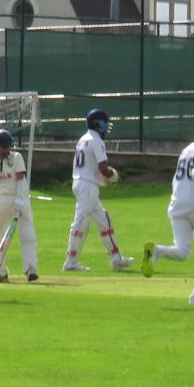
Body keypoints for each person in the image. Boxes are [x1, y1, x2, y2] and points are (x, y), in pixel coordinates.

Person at [140, 115, 194, 306]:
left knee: (182, 251)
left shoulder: (187, 149)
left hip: (177, 202)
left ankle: (157, 252)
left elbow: (179, 177)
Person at [63, 108, 134, 273]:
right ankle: (70, 262)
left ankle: (116, 259)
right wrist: (112, 175)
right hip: (87, 185)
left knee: (104, 222)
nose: (106, 126)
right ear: (96, 123)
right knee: (80, 223)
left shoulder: (83, 139)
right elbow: (103, 167)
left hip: (83, 183)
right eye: (104, 122)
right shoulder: (96, 141)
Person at [0, 128, 38, 283]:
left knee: (27, 233)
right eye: (3, 147)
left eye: (8, 147)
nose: (6, 150)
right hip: (2, 200)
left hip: (20, 199)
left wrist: (19, 200)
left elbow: (20, 179)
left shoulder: (16, 157)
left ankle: (31, 269)